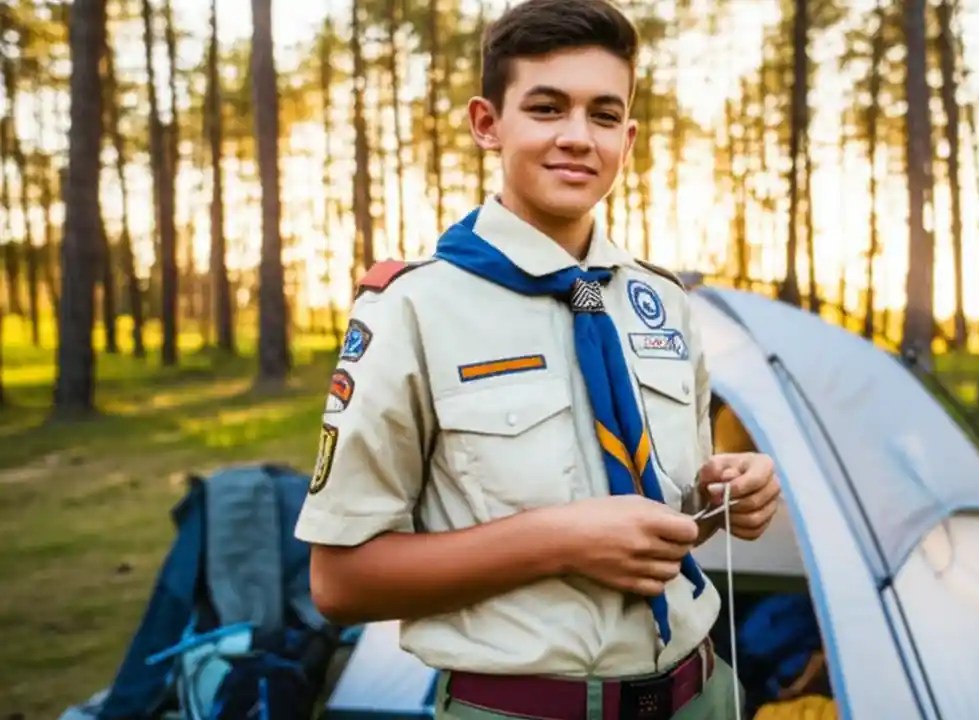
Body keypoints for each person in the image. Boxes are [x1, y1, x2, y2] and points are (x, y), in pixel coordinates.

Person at [292, 1, 782, 719]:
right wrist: (557, 541)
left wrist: (728, 493)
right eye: (548, 108)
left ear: (630, 136)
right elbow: (341, 583)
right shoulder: (414, 308)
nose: (578, 138)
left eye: (604, 115)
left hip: (699, 693)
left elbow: (663, 510)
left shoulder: (662, 301)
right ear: (488, 123)